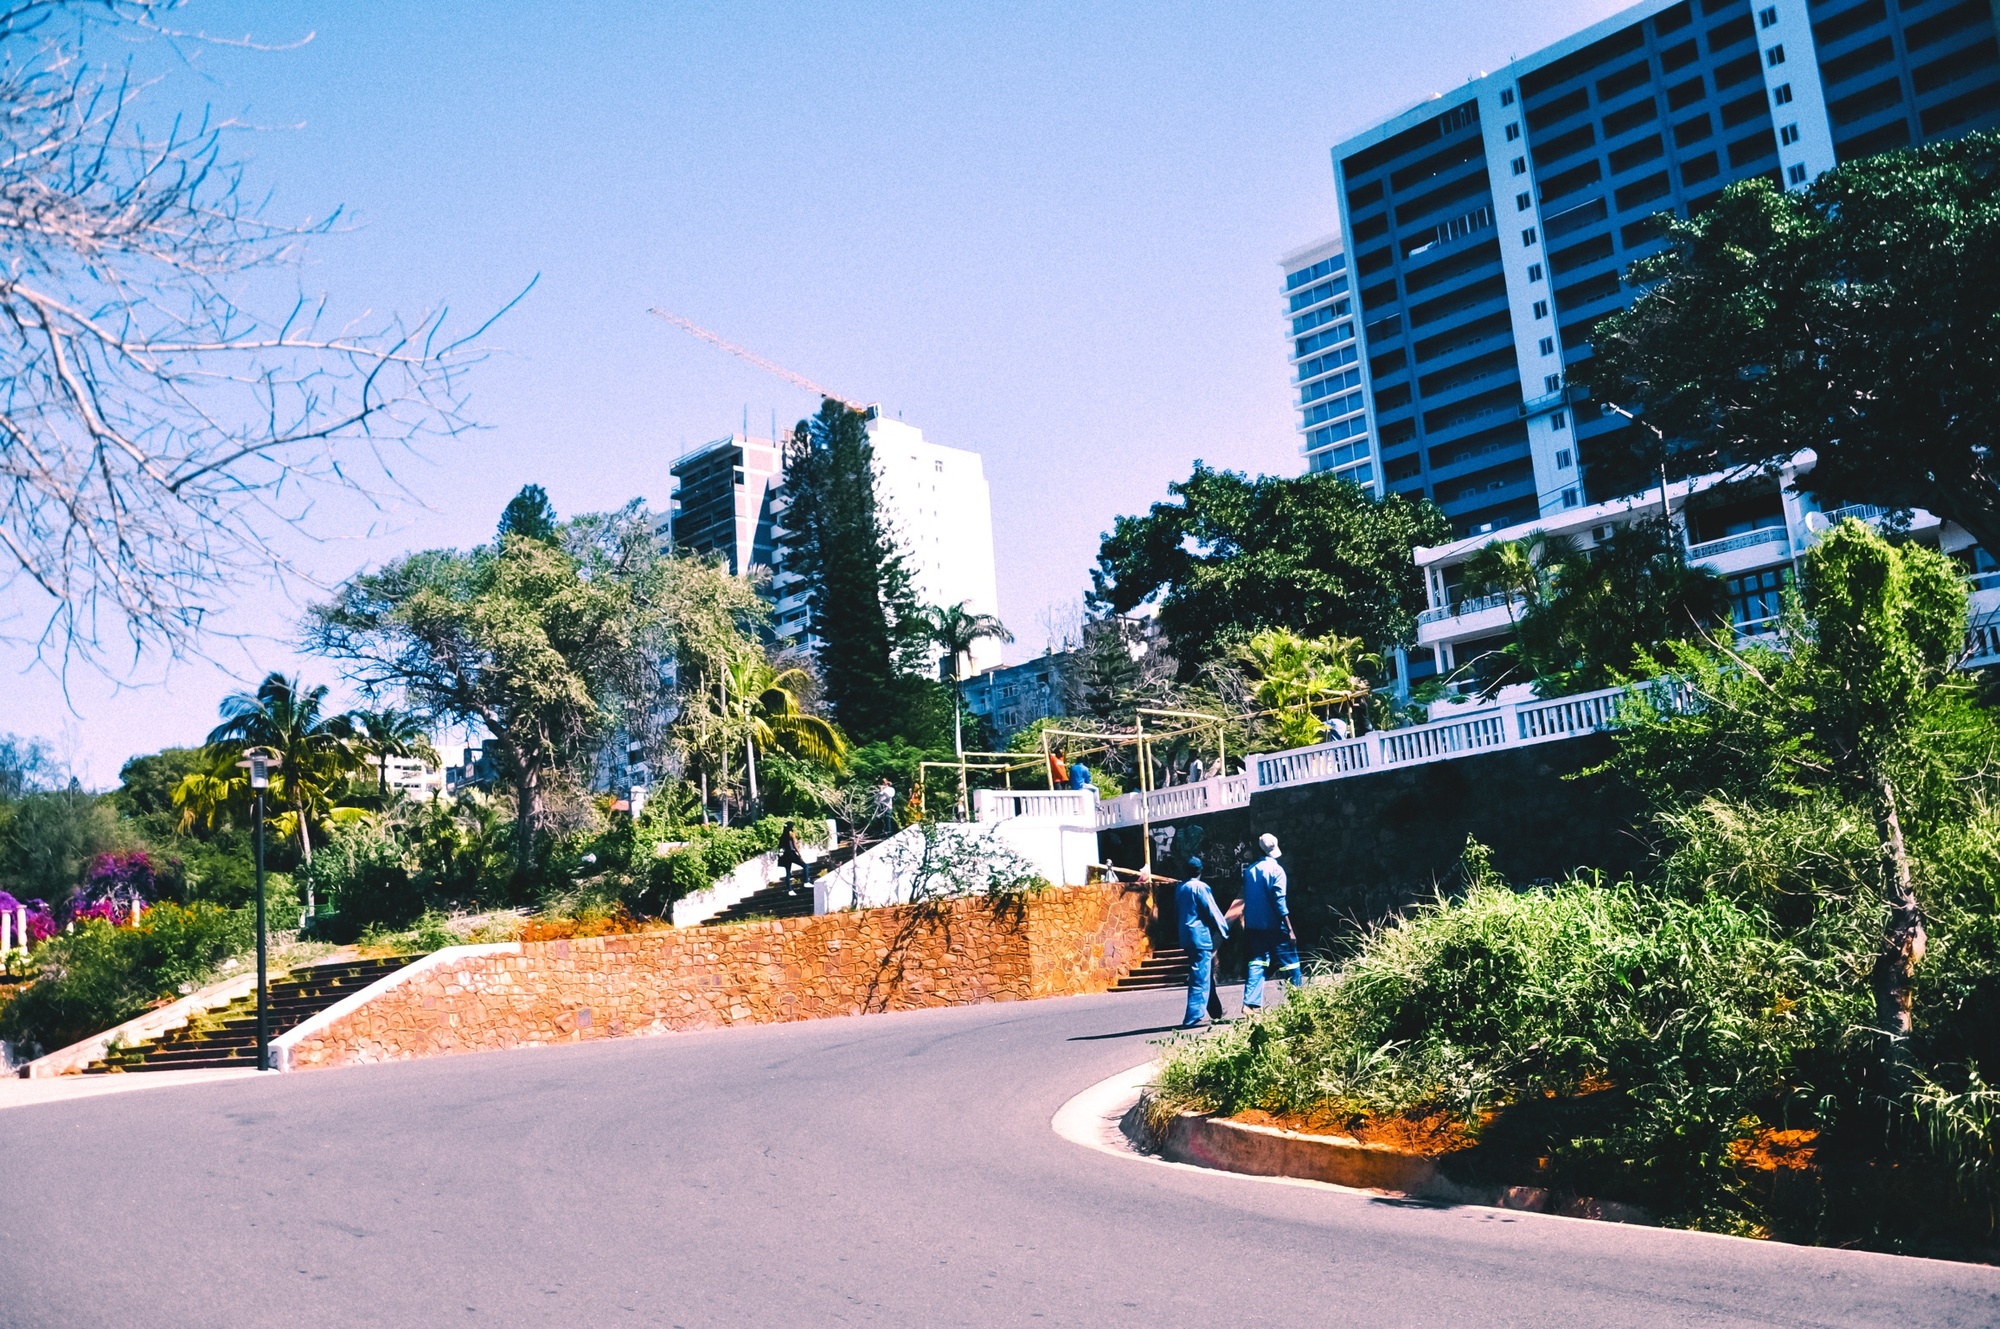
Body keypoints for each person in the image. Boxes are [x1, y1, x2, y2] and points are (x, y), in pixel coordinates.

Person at [1240, 833, 1302, 1009]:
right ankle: (1299, 1001)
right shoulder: (1277, 871)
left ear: (1259, 849)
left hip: (1255, 927)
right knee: (1291, 963)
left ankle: (1250, 1004)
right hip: (1275, 926)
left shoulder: (1250, 871)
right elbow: (1279, 901)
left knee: (1257, 963)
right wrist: (1290, 929)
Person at [1174, 858, 1228, 1029]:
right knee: (1199, 975)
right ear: (1200, 870)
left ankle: (1216, 1011)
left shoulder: (1180, 888)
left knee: (1206, 973)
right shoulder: (1200, 887)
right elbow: (1211, 910)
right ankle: (1193, 1015)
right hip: (1200, 937)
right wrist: (1224, 929)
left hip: (1186, 935)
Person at [777, 820, 808, 892]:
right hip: (791, 853)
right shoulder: (791, 834)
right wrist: (799, 855)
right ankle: (806, 881)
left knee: (788, 872)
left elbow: (780, 847)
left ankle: (790, 889)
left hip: (785, 855)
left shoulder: (782, 836)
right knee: (805, 866)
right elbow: (794, 845)